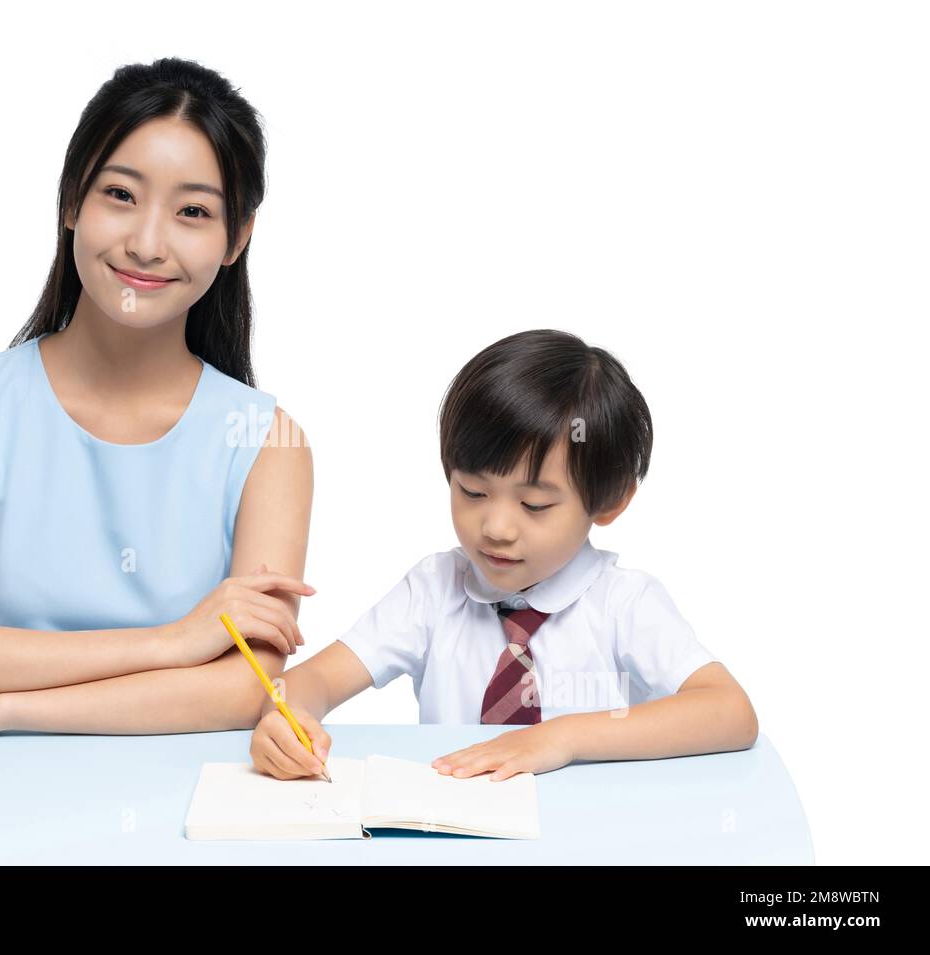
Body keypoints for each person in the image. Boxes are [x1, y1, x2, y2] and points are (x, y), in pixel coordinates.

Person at [0, 58, 313, 781]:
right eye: (120, 195)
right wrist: (174, 643)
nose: (146, 242)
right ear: (71, 199)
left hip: (188, 807)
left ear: (238, 239)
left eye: (193, 211)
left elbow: (241, 691)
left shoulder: (269, 443)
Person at [249, 329, 757, 781]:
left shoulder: (625, 602)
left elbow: (731, 712)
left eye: (534, 504)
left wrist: (560, 737)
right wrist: (287, 719)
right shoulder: (434, 588)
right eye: (472, 492)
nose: (495, 527)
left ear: (610, 500)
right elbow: (312, 680)